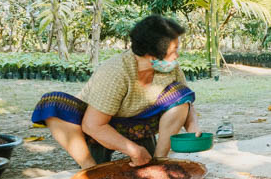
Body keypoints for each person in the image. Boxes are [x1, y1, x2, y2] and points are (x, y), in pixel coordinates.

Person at [32, 15, 199, 168]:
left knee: (179, 92)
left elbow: (184, 100)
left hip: (140, 123)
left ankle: (159, 161)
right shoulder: (115, 71)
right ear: (151, 55)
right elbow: (92, 125)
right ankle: (90, 170)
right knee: (51, 102)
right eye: (173, 51)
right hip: (97, 125)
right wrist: (134, 151)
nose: (177, 56)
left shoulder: (171, 69)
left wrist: (192, 125)